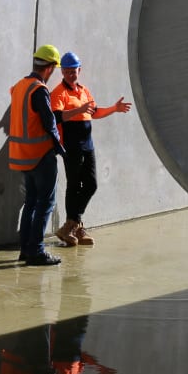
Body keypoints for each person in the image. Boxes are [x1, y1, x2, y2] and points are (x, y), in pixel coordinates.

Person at [50, 51, 131, 247]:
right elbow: (57, 117)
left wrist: (114, 108)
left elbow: (93, 112)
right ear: (63, 72)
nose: (71, 74)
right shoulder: (59, 92)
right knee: (74, 184)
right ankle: (75, 228)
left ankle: (71, 225)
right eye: (67, 71)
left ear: (79, 70)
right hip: (71, 144)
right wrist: (78, 110)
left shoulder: (83, 90)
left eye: (73, 71)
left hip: (87, 144)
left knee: (91, 184)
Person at [8, 44, 67, 266]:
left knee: (31, 202)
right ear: (50, 68)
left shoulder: (19, 86)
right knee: (46, 202)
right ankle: (37, 251)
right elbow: (49, 123)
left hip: (22, 155)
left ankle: (26, 249)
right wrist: (60, 149)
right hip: (40, 155)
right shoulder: (39, 90)